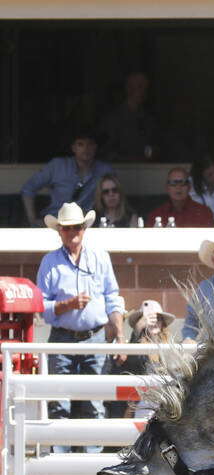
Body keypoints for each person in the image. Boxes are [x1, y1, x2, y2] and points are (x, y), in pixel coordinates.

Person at [36, 202, 126, 453]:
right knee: (59, 403)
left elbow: (113, 298)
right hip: (62, 338)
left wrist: (120, 336)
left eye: (76, 227)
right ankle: (61, 463)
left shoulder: (100, 257)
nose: (72, 232)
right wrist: (67, 305)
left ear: (84, 229)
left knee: (94, 403)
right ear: (60, 231)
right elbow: (40, 306)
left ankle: (91, 465)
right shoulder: (49, 262)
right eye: (67, 228)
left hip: (95, 337)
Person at [21, 129, 114, 226]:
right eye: (80, 144)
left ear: (95, 147)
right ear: (73, 148)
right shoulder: (57, 166)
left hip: (87, 223)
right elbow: (28, 188)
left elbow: (116, 195)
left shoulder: (105, 170)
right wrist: (32, 220)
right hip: (56, 222)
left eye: (90, 144)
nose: (86, 148)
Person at [105, 299, 175, 418]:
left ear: (163, 323)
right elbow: (133, 363)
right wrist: (138, 331)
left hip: (160, 403)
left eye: (158, 318)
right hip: (135, 404)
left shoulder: (169, 346)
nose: (153, 322)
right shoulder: (132, 346)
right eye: (148, 318)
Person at [99, 72, 157, 161]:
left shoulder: (148, 119)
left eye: (146, 88)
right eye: (140, 86)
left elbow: (151, 147)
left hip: (146, 166)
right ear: (128, 88)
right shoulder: (113, 118)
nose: (143, 91)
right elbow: (106, 151)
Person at [146, 167, 214, 228]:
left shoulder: (204, 213)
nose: (178, 187)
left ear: (189, 187)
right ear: (167, 187)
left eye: (183, 183)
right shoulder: (156, 215)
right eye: (173, 183)